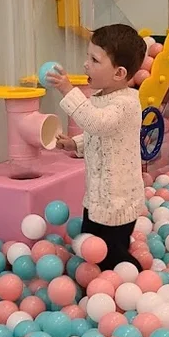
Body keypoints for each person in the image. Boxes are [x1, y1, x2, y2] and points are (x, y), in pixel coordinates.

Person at [45, 23, 147, 271]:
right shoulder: (101, 97)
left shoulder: (125, 104)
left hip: (117, 201)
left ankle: (134, 277)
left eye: (94, 60)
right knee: (88, 245)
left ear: (119, 73)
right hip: (97, 198)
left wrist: (67, 90)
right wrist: (75, 143)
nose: (85, 64)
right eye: (87, 57)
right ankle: (94, 280)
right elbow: (103, 137)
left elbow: (98, 124)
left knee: (111, 255)